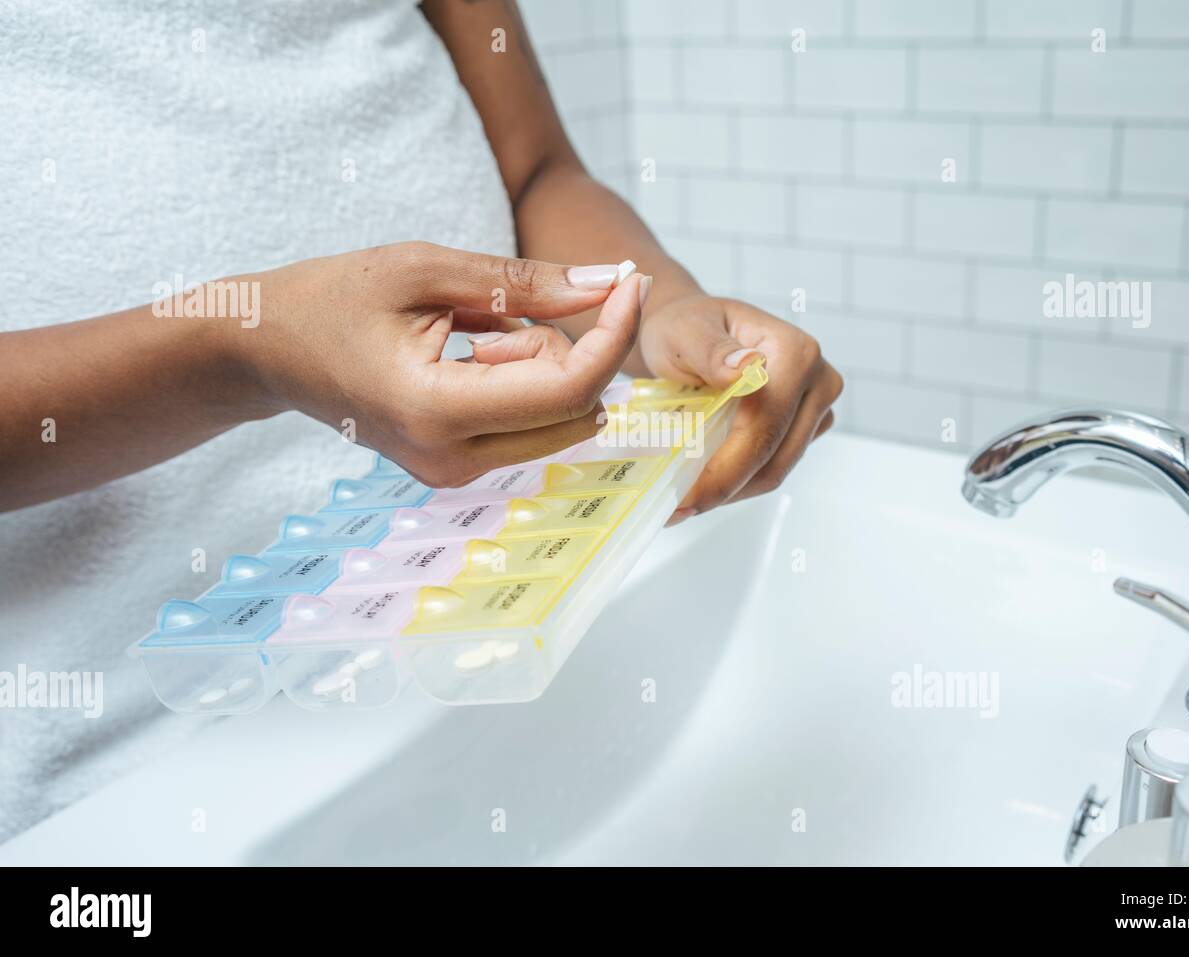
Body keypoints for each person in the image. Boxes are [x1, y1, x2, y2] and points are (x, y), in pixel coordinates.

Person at [0, 0, 841, 841]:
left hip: (505, 615)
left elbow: (538, 171)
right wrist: (239, 349)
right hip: (139, 749)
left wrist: (667, 310)